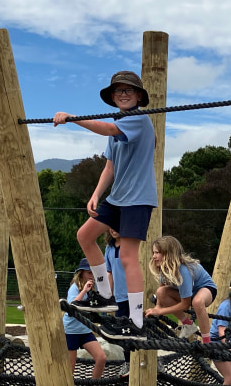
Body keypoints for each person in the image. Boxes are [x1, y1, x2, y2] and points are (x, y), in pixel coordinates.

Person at [53, 71, 158, 333]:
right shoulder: (119, 122)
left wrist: (74, 118)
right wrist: (96, 194)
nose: (123, 94)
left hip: (138, 198)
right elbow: (109, 166)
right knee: (85, 235)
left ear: (138, 96)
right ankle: (105, 295)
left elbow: (109, 129)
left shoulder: (138, 119)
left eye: (129, 90)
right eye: (118, 91)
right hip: (118, 197)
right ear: (112, 97)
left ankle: (135, 320)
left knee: (127, 257)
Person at [146, 235, 217, 343]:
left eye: (157, 253)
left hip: (205, 289)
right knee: (161, 292)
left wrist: (162, 310)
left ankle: (207, 341)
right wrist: (157, 307)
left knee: (197, 302)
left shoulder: (183, 271)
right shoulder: (164, 269)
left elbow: (185, 304)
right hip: (189, 294)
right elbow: (161, 290)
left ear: (168, 254)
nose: (154, 256)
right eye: (153, 253)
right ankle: (188, 324)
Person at [63, 258, 107, 379]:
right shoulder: (75, 287)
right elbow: (72, 306)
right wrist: (83, 291)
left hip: (84, 330)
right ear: (81, 272)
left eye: (93, 272)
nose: (91, 275)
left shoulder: (93, 288)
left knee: (101, 358)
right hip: (71, 331)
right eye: (89, 272)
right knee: (71, 366)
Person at [103, 228, 133, 374]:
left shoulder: (131, 244)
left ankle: (154, 360)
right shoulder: (109, 248)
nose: (113, 230)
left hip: (134, 295)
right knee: (123, 332)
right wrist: (109, 296)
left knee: (141, 328)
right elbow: (109, 272)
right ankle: (127, 362)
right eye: (111, 227)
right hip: (120, 297)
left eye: (116, 226)